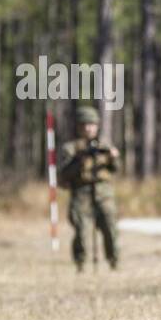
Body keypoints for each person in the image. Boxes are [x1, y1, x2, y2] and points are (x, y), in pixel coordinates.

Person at [58, 105, 120, 272]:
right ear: (78, 126)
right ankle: (81, 263)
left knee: (110, 228)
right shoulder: (71, 148)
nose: (88, 128)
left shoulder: (104, 145)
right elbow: (63, 174)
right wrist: (80, 160)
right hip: (81, 193)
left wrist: (113, 157)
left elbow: (116, 169)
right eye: (84, 124)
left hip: (103, 193)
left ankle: (114, 261)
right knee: (82, 231)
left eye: (91, 124)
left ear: (97, 126)